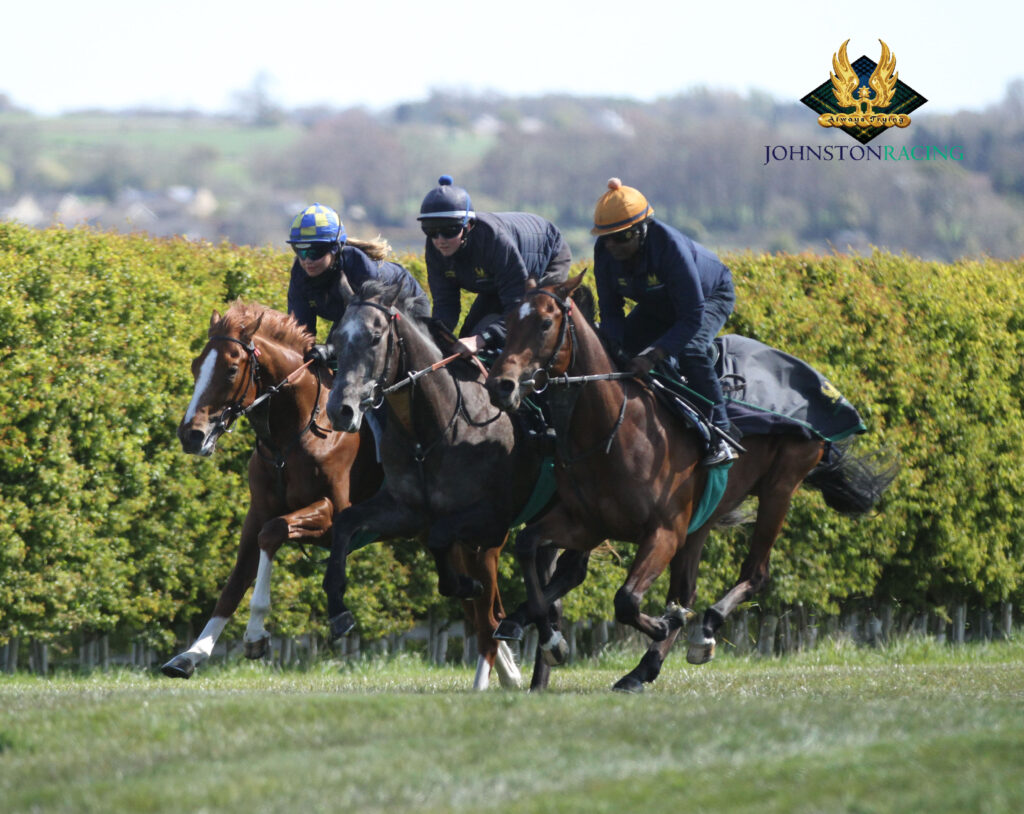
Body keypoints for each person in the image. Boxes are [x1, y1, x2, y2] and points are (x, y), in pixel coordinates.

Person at [591, 178, 738, 467]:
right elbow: (610, 312)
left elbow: (692, 314)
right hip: (657, 305)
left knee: (690, 350)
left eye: (621, 237)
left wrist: (655, 354)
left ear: (642, 230)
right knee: (615, 353)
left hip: (708, 298)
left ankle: (722, 433)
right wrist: (614, 348)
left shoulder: (670, 248)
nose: (612, 246)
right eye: (606, 238)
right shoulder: (604, 252)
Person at [417, 175, 572, 357]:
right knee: (466, 337)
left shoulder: (493, 240)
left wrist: (482, 339)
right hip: (499, 279)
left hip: (547, 257)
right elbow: (445, 305)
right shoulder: (435, 248)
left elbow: (518, 305)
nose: (440, 240)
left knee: (529, 325)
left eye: (450, 230)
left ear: (468, 227)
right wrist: (435, 338)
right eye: (431, 231)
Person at [285, 203, 428, 361]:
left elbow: (363, 331)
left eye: (314, 251)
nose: (306, 261)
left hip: (407, 304)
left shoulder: (360, 269)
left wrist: (331, 349)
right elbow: (300, 334)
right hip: (349, 313)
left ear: (335, 248)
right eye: (300, 251)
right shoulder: (299, 274)